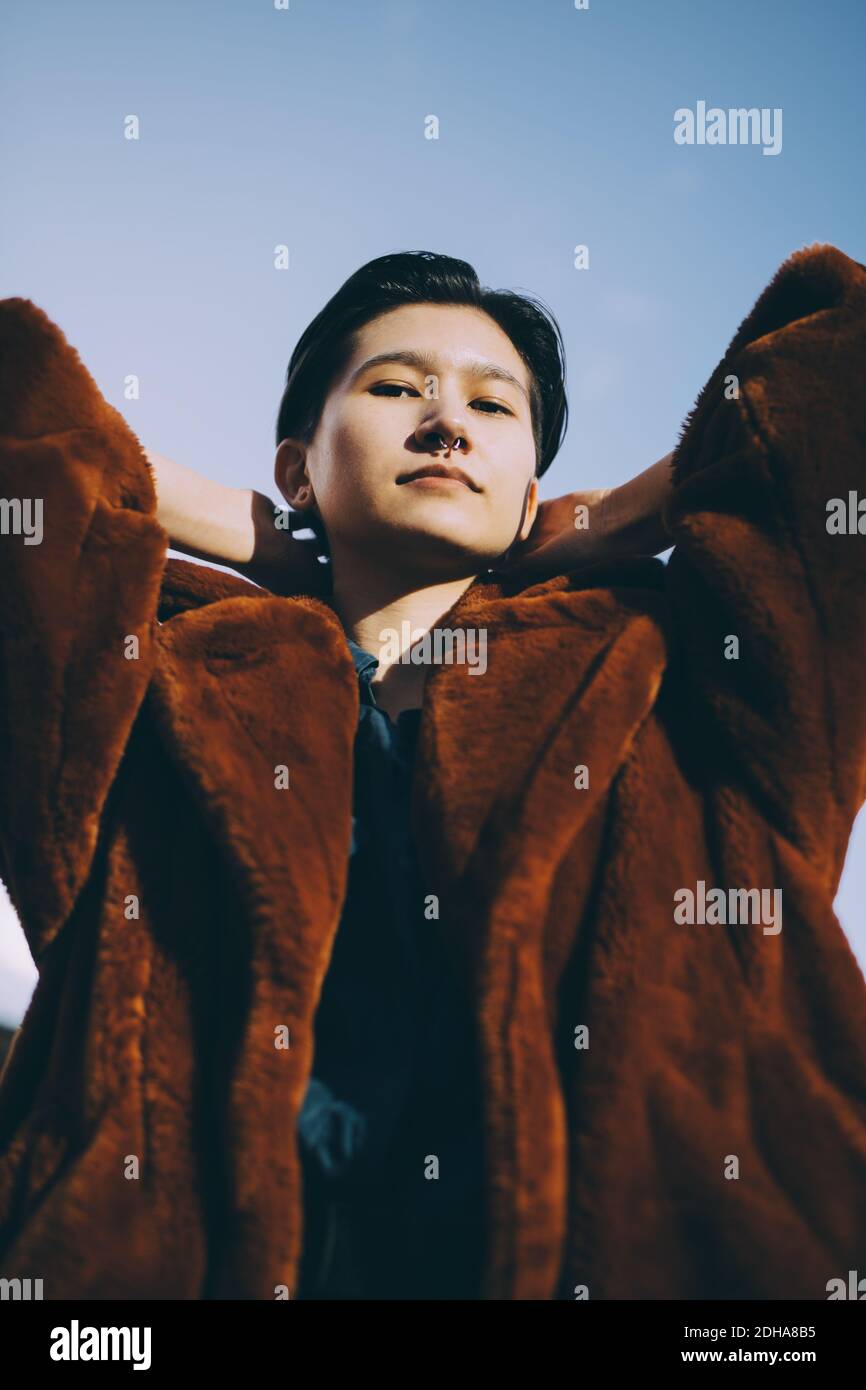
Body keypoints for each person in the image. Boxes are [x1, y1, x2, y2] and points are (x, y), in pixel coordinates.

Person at [0, 245, 865, 1300]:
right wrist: (244, 528)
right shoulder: (150, 676)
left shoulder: (684, 669)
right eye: (395, 386)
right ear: (295, 463)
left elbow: (834, 372)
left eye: (494, 407)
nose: (447, 421)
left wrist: (624, 514)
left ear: (532, 491)